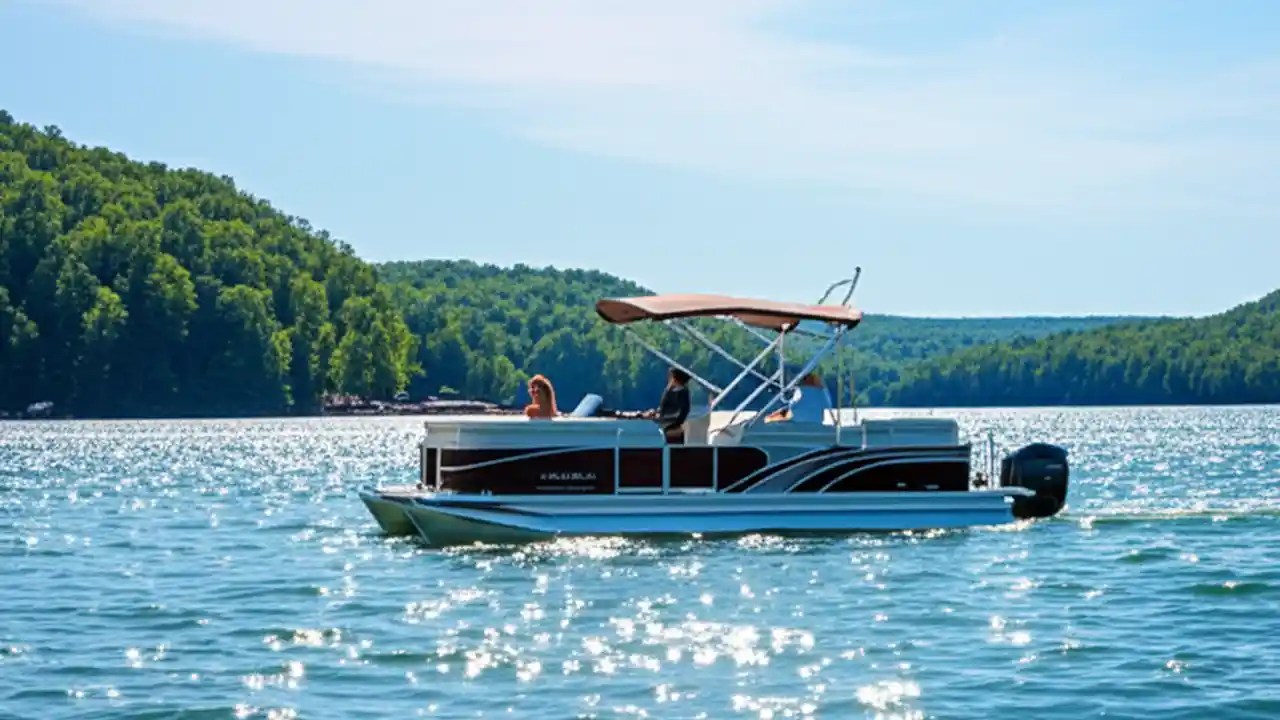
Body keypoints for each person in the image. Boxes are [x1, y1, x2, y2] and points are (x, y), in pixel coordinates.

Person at [766, 371, 832, 424]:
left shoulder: (801, 391)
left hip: (799, 431)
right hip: (816, 430)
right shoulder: (823, 394)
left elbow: (789, 413)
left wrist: (770, 418)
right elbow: (789, 410)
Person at [647, 367, 691, 442]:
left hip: (673, 428)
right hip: (666, 425)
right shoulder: (670, 392)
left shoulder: (683, 393)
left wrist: (672, 423)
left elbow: (683, 411)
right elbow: (663, 407)